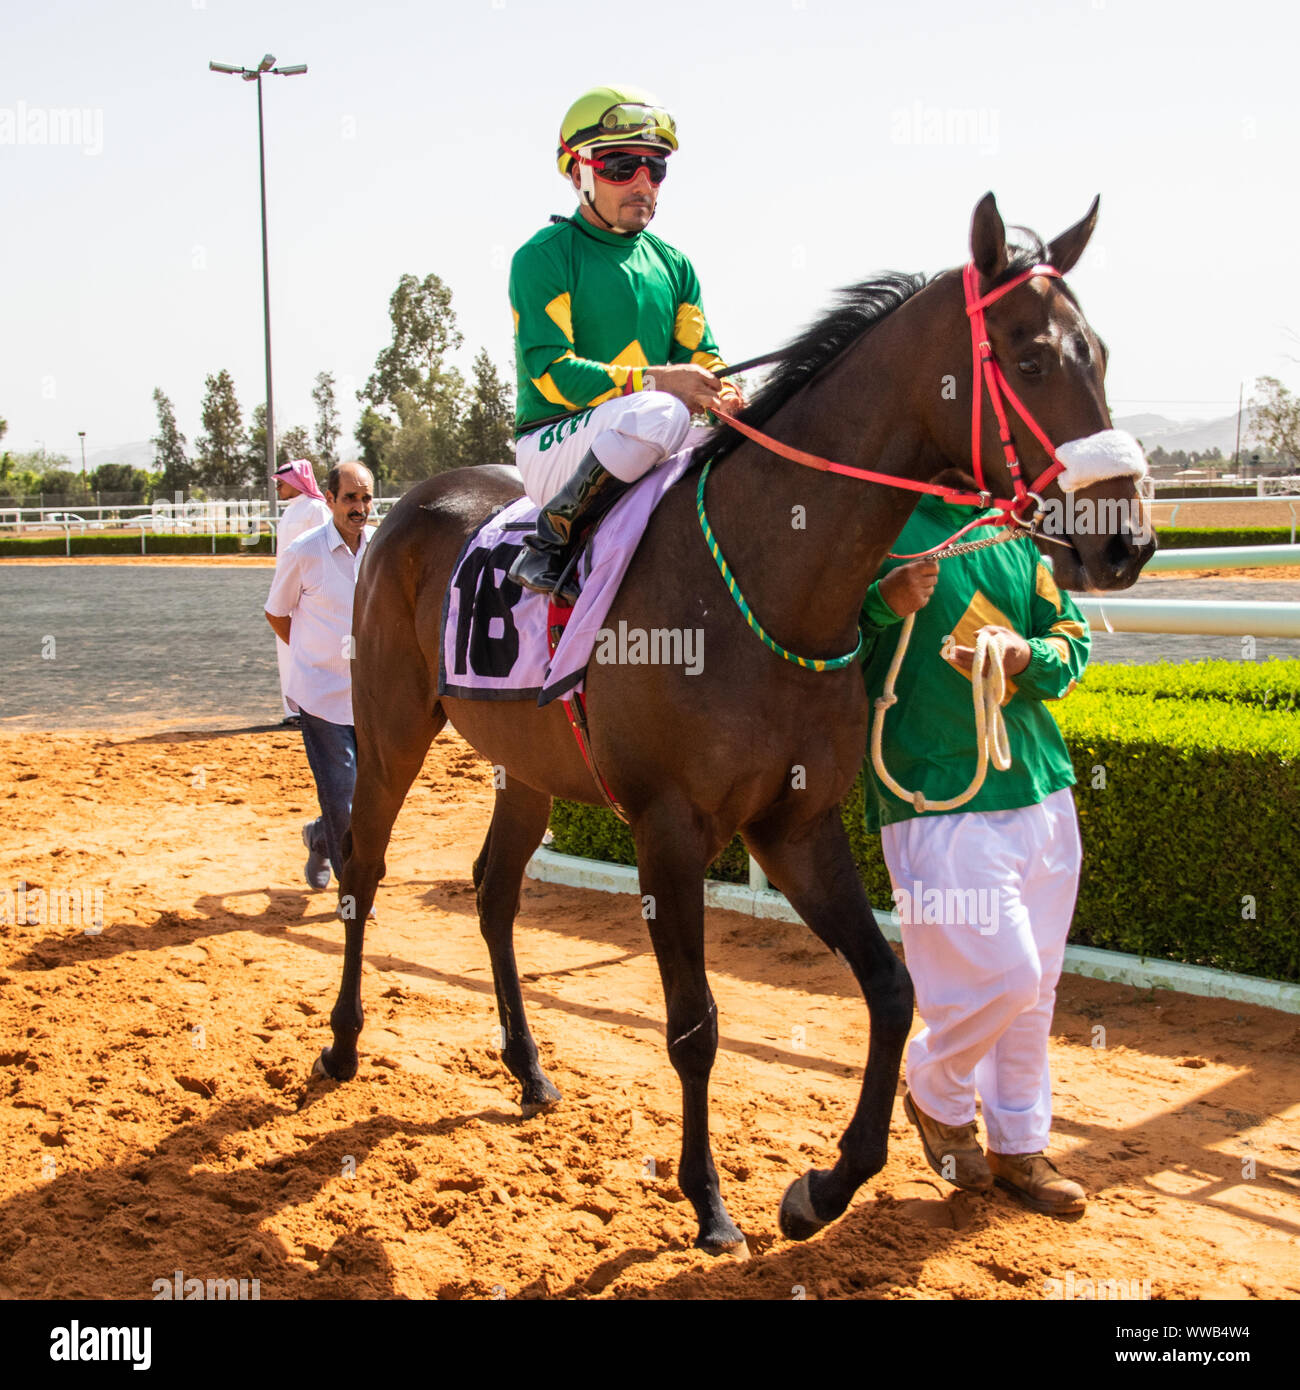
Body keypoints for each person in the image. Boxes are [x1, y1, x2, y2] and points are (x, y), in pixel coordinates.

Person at [860, 495, 1091, 1216]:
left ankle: (1019, 1146)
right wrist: (879, 605)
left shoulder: (1011, 527)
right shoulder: (872, 522)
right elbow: (814, 647)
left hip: (1042, 786)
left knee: (1037, 989)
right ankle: (935, 1093)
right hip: (934, 790)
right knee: (1008, 976)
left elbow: (1071, 639)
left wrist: (1026, 656)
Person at [507, 84, 742, 603]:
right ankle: (553, 543)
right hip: (556, 442)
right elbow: (554, 373)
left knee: (750, 456)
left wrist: (724, 392)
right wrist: (666, 382)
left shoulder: (674, 265)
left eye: (654, 169)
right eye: (620, 167)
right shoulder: (543, 257)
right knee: (661, 410)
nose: (642, 184)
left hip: (645, 433)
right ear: (578, 173)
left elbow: (703, 357)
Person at [264, 462, 375, 896]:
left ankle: (319, 836)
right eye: (349, 498)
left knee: (367, 799)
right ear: (328, 500)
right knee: (342, 795)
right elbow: (276, 612)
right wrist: (310, 656)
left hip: (372, 698)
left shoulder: (382, 548)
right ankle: (356, 896)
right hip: (321, 697)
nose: (359, 507)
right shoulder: (303, 552)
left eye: (365, 498)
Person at [270, 459, 332, 725]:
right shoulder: (288, 512)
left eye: (281, 483)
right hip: (288, 587)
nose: (278, 489)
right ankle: (293, 709)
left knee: (312, 646)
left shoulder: (317, 509)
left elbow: (327, 547)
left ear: (296, 482)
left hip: (311, 590)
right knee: (288, 647)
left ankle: (314, 707)